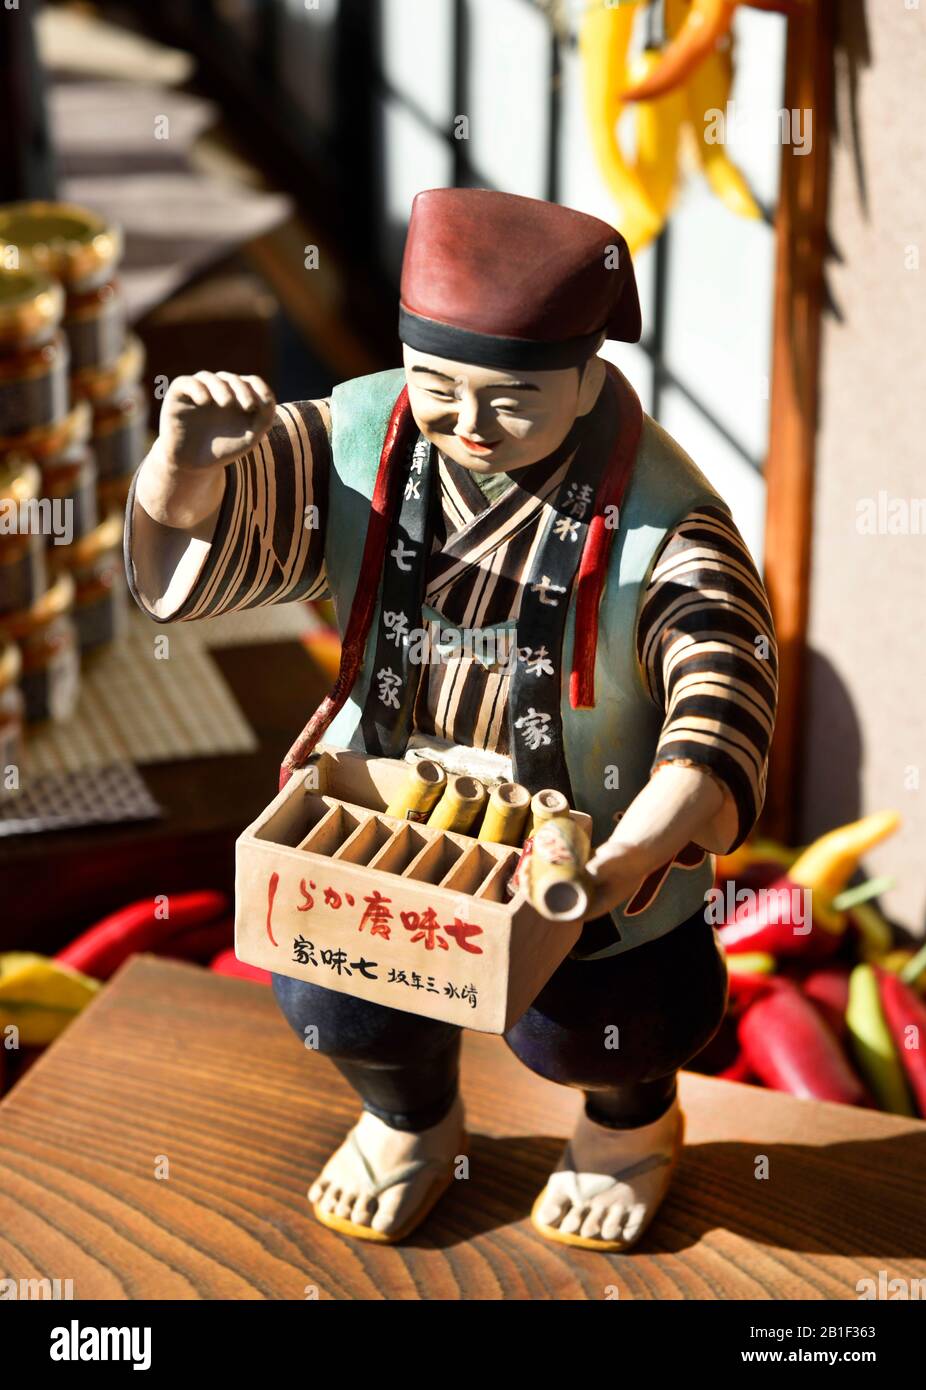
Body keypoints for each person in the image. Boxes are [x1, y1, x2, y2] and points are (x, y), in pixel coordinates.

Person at [125, 188, 777, 1251]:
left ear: (586, 378)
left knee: (603, 1027)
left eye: (510, 401)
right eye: (437, 388)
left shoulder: (664, 516)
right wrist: (187, 461)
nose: (467, 427)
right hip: (382, 806)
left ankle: (629, 1132)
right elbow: (197, 558)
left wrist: (627, 851)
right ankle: (408, 1120)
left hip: (581, 824)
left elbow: (718, 679)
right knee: (340, 1000)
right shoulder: (359, 435)